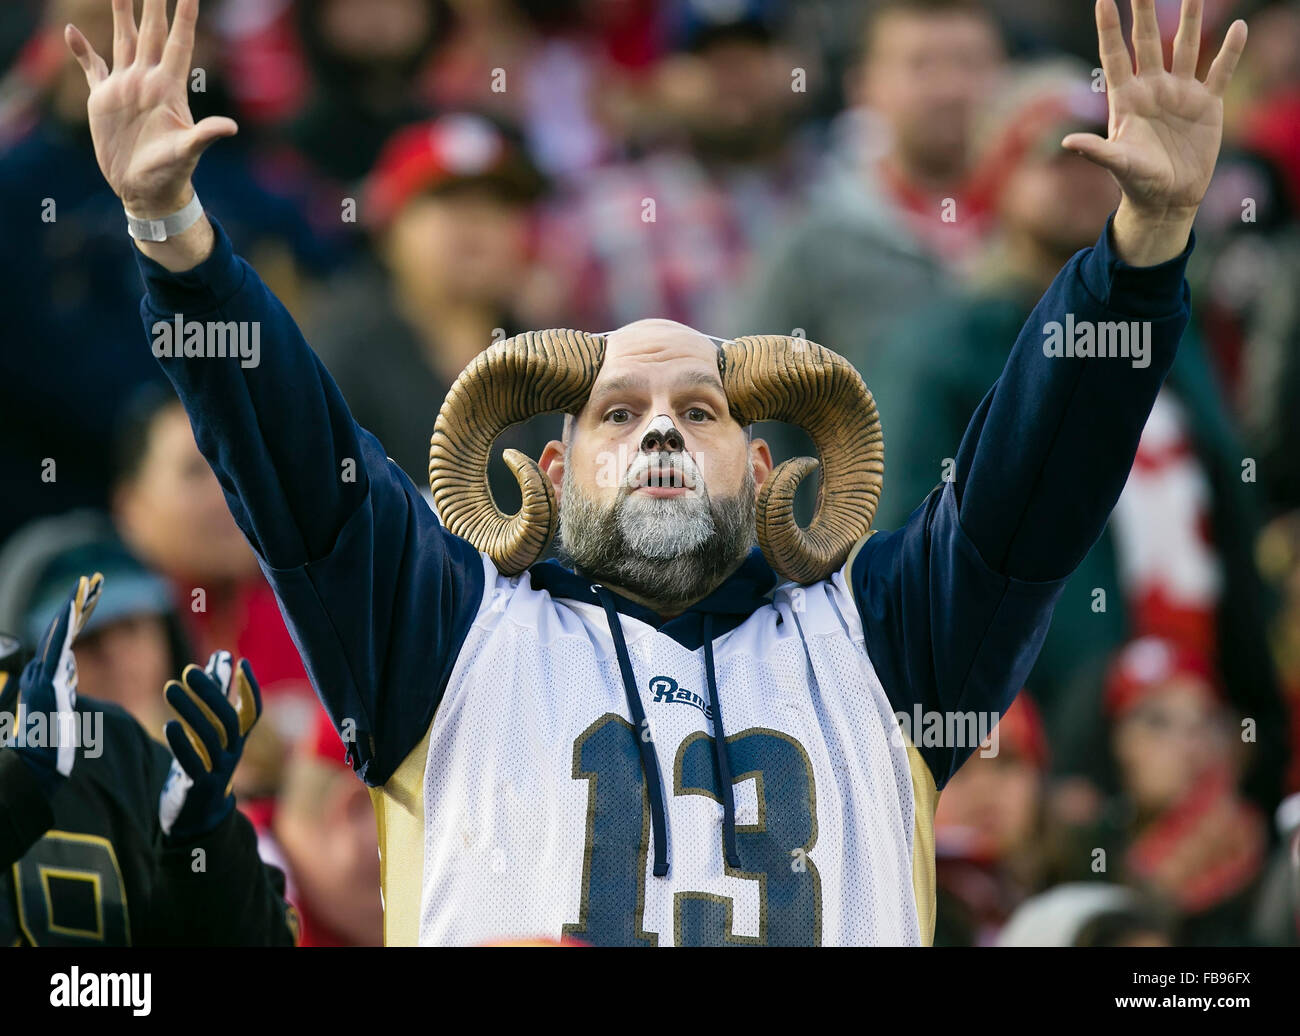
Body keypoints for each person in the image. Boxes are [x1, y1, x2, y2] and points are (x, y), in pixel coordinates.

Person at [67, 0, 1247, 946]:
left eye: (701, 409)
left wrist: (1139, 254)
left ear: (765, 465)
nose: (664, 431)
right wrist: (174, 231)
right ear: (550, 467)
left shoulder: (886, 639)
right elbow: (290, 456)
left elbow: (1035, 478)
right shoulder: (442, 632)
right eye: (617, 413)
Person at [866, 61, 1289, 818]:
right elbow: (915, 553)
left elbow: (1225, 514)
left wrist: (1256, 704)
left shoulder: (1170, 334)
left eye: (1104, 144)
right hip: (1053, 750)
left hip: (1200, 725)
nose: (1089, 168)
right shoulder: (944, 347)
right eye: (1057, 152)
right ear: (999, 171)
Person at [0, 574, 296, 946]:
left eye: (131, 630)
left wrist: (203, 848)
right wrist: (19, 785)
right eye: (93, 640)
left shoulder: (115, 741)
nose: (118, 657)